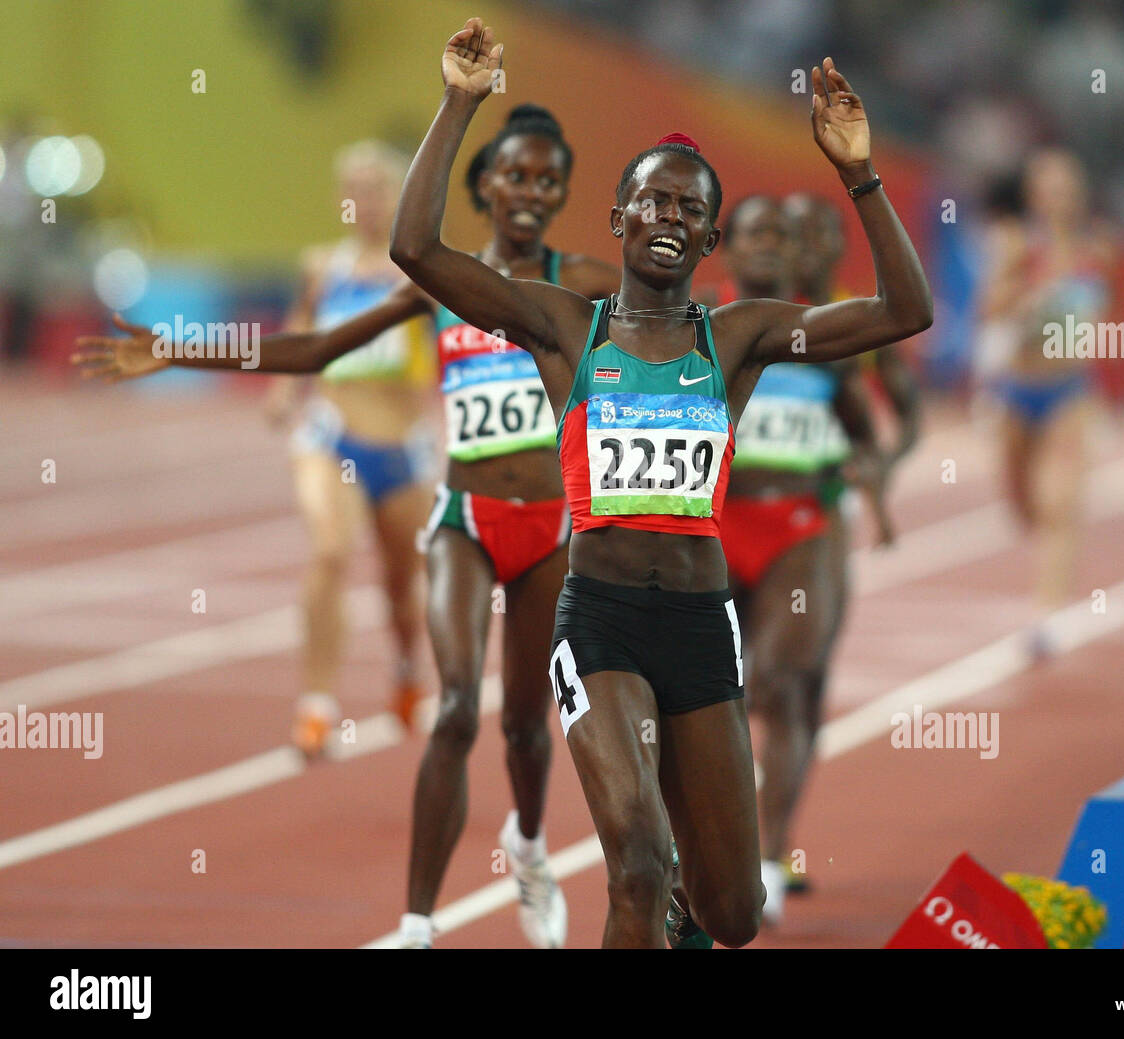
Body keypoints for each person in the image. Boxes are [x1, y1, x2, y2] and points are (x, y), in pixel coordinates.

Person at [387, 17, 931, 949]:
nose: (670, 219)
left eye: (689, 210)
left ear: (711, 234)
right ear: (618, 218)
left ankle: (684, 913)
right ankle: (648, 901)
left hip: (699, 624)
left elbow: (904, 312)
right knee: (635, 858)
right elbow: (418, 251)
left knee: (733, 915)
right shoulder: (566, 327)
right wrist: (458, 104)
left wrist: (859, 174)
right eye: (653, 203)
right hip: (596, 618)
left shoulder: (743, 336)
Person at [72, 103, 621, 949]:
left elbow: (667, 335)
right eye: (514, 173)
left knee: (523, 721)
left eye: (548, 179)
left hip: (550, 525)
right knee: (454, 711)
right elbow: (318, 350)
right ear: (485, 186)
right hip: (465, 516)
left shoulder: (582, 282)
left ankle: (532, 848)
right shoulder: (442, 282)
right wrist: (182, 349)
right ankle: (415, 921)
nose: (530, 190)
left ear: (561, 195)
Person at [716, 194, 922, 925]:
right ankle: (730, 841)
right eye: (764, 233)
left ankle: (769, 855)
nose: (783, 247)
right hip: (714, 525)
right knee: (719, 693)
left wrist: (874, 467)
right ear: (727, 247)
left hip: (803, 522)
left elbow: (876, 428)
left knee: (783, 679)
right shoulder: (700, 328)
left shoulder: (828, 331)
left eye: (791, 235)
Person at [265, 140, 437, 758]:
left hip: (401, 447)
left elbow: (453, 348)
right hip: (330, 434)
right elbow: (301, 333)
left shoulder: (423, 273)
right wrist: (286, 394)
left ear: (397, 197)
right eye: (355, 188)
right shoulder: (322, 266)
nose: (364, 200)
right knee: (331, 552)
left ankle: (407, 667)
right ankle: (316, 705)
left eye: (377, 188)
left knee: (400, 584)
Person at [977, 148, 1115, 658]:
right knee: (1022, 506)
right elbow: (987, 309)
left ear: (1078, 195)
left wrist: (1089, 327)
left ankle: (1046, 616)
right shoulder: (1014, 243)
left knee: (1061, 506)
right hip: (1016, 389)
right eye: (1048, 189)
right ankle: (1046, 588)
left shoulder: (1098, 246)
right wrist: (1029, 288)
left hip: (1069, 390)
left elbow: (1114, 305)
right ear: (1034, 195)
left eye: (1066, 189)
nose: (1058, 198)